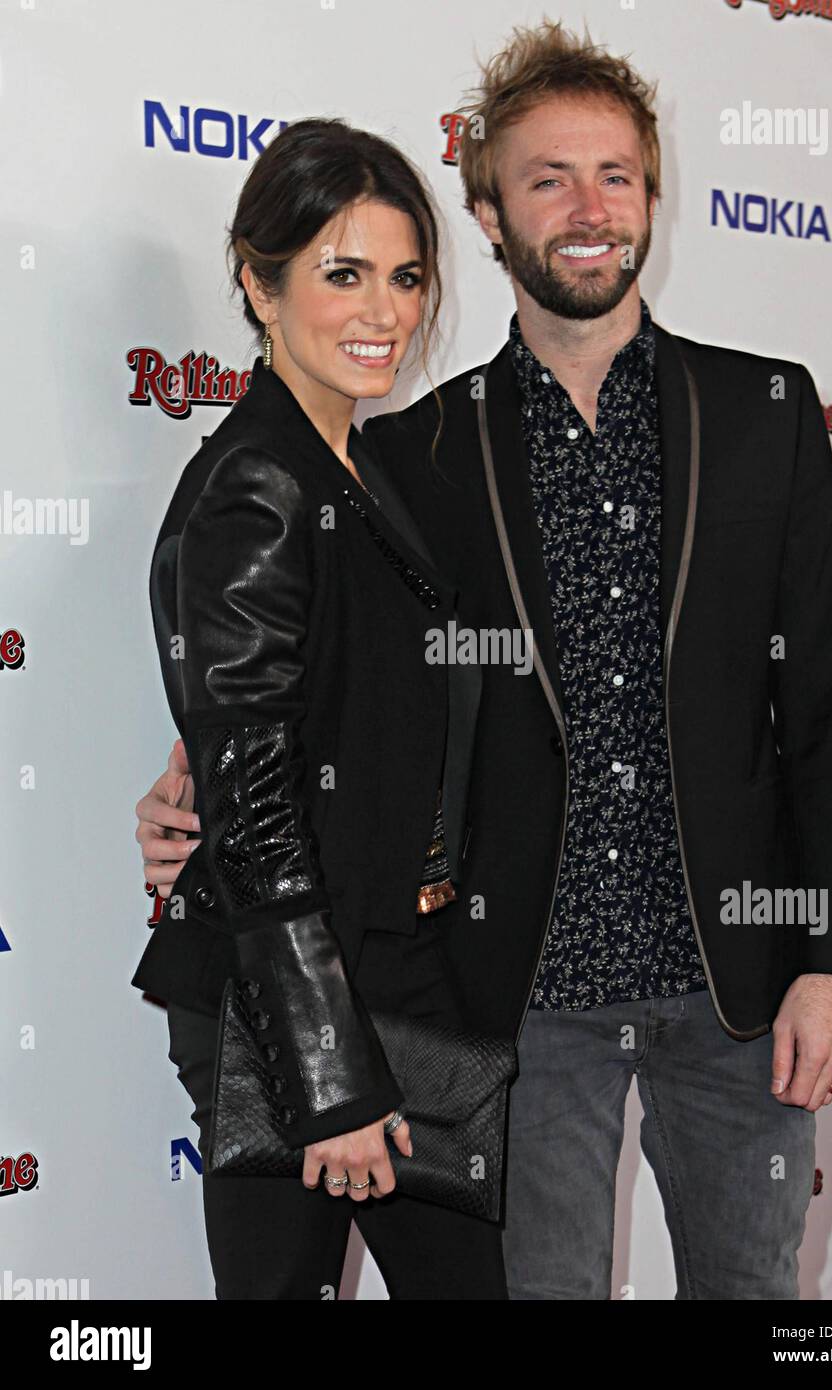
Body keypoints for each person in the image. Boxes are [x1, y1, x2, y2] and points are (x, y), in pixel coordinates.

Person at [137, 21, 832, 1300]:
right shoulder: (413, 453)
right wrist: (190, 775)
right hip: (515, 1002)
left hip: (735, 993)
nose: (587, 210)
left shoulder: (767, 414)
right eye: (547, 179)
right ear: (487, 211)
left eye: (615, 178)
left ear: (651, 197)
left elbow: (822, 706)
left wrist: (830, 956)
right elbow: (318, 671)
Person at [130, 116, 507, 1300]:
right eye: (341, 274)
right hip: (288, 997)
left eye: (403, 276)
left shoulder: (367, 465)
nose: (384, 311)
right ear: (259, 280)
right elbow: (249, 801)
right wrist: (331, 1079)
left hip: (391, 962)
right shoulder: (258, 481)